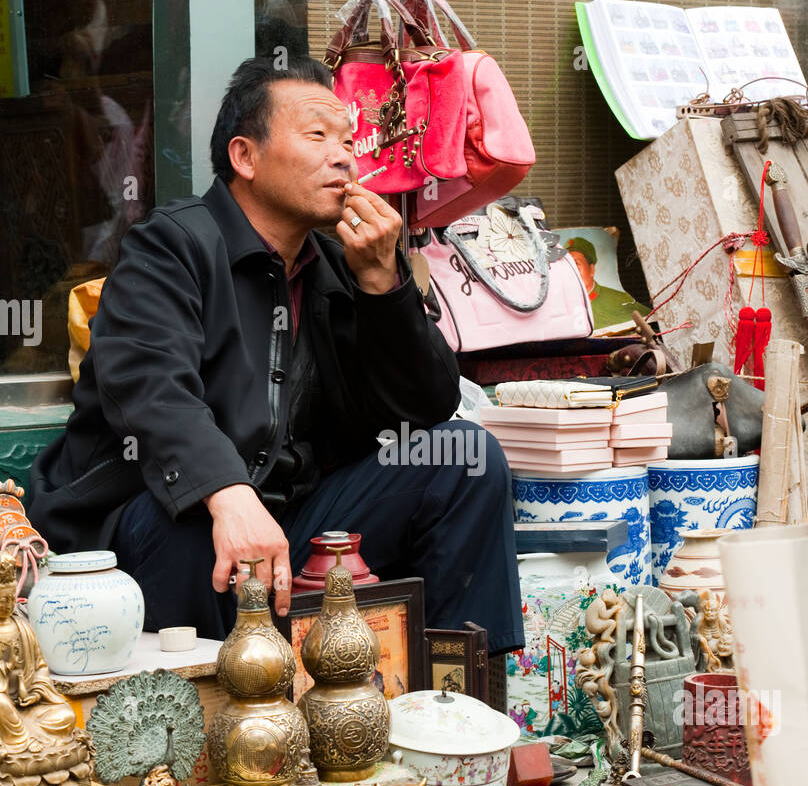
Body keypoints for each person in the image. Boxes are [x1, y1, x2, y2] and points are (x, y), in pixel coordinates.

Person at [30, 56, 523, 653]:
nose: (343, 156)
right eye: (317, 136)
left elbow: (428, 406)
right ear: (246, 157)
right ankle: (229, 730)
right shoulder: (172, 244)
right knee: (194, 523)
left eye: (347, 141)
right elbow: (149, 385)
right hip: (151, 521)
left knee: (465, 457)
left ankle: (458, 704)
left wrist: (384, 288)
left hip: (294, 515)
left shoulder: (342, 263)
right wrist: (226, 492)